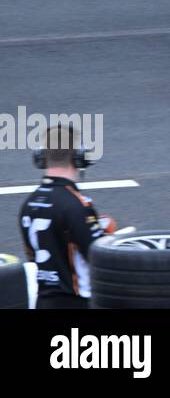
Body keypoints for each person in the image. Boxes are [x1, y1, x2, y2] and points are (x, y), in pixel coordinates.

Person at [18, 125, 116, 309]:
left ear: (41, 157)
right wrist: (106, 236)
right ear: (79, 157)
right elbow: (97, 257)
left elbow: (32, 257)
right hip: (75, 302)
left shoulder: (29, 204)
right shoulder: (76, 204)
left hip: (43, 302)